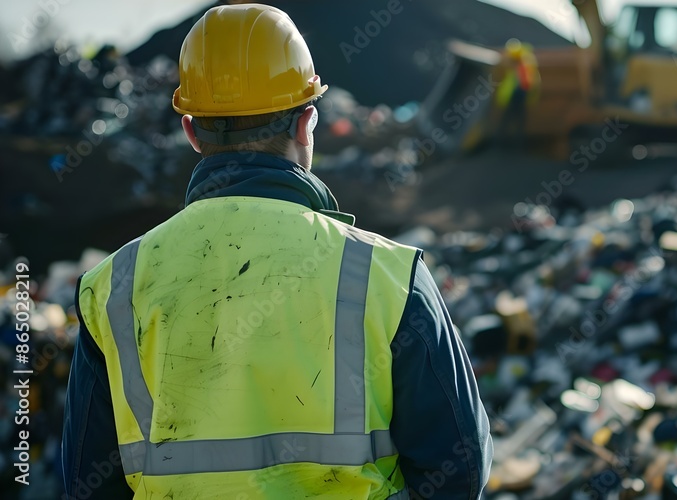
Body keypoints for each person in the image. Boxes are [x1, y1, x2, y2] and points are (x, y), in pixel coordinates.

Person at [61, 4, 492, 499]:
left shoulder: (112, 287)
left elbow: (86, 485)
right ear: (306, 123)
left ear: (191, 131)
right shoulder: (385, 275)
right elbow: (457, 471)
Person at [495, 39, 541, 148]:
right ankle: (510, 143)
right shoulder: (524, 64)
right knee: (514, 120)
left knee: (512, 120)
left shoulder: (523, 65)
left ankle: (508, 144)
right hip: (517, 95)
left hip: (519, 95)